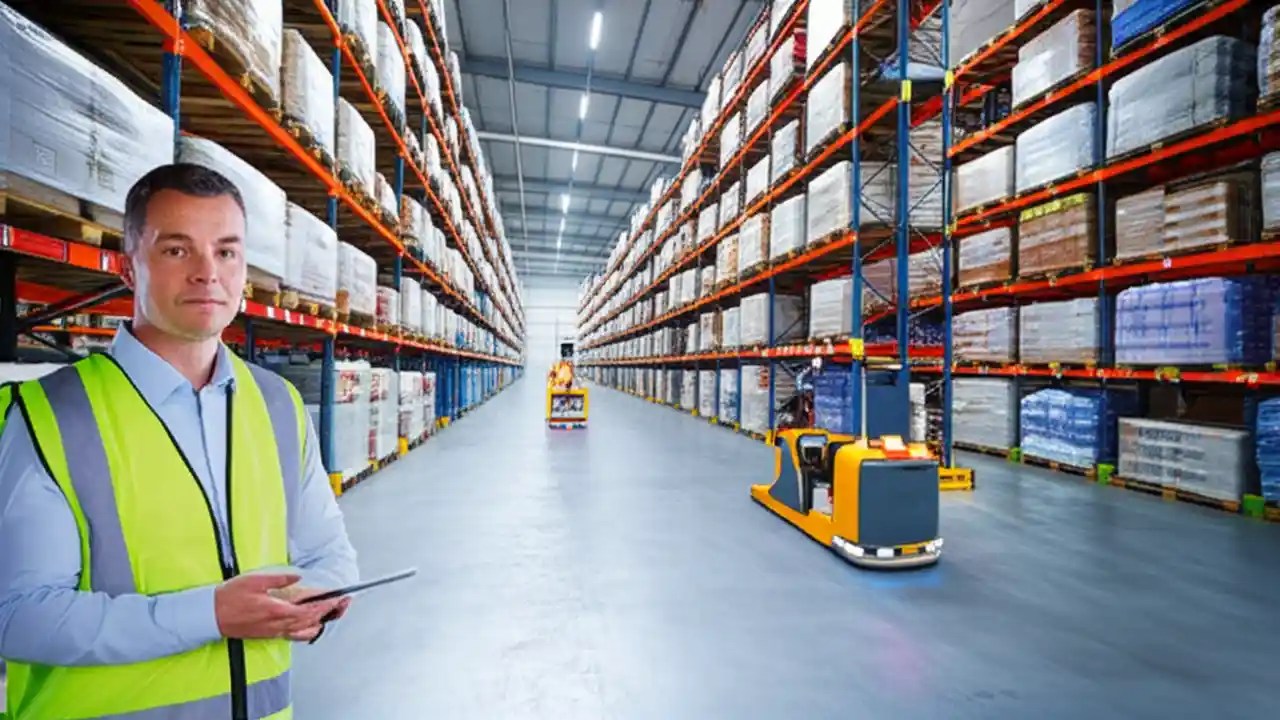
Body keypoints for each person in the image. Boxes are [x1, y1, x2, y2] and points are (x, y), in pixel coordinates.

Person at [0, 163, 360, 719]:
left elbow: (330, 556)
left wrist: (311, 605)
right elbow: (18, 616)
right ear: (128, 268)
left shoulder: (278, 405)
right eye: (176, 250)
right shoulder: (53, 415)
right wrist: (211, 615)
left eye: (226, 251)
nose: (206, 273)